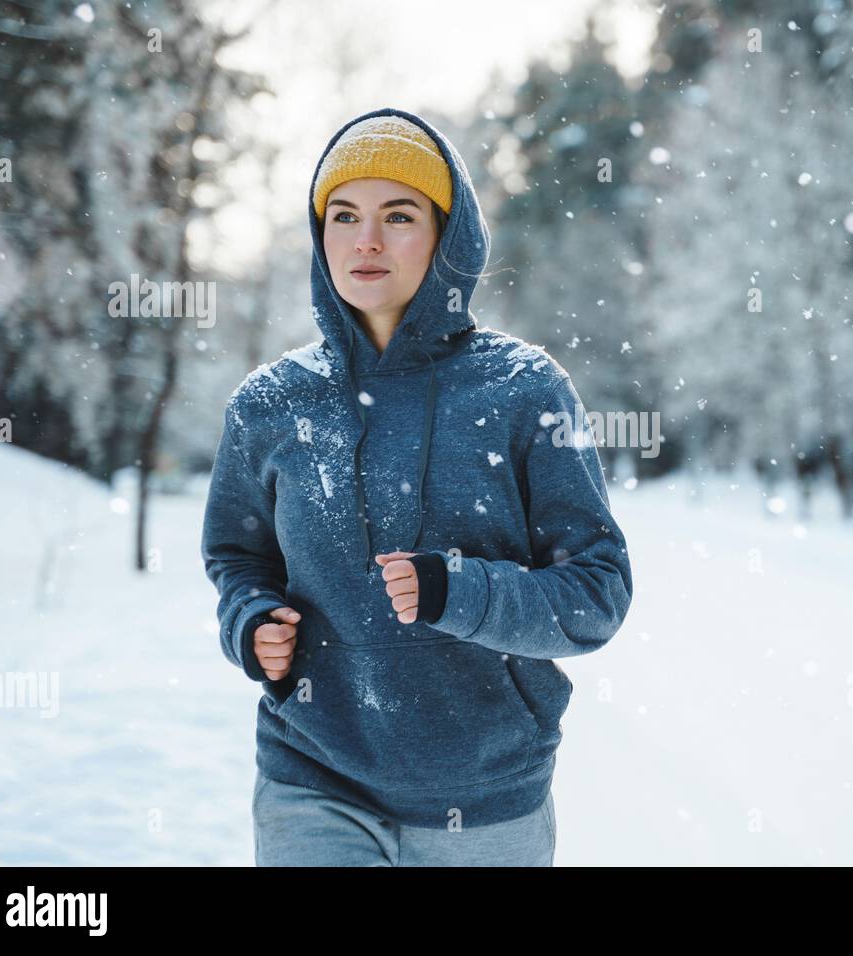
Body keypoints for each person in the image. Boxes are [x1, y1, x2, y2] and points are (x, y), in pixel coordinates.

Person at [200, 107, 634, 866]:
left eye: (398, 215)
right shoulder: (270, 403)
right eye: (343, 215)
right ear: (320, 234)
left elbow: (596, 594)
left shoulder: (524, 390)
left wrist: (459, 593)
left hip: (488, 792)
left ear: (446, 236)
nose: (366, 240)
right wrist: (250, 620)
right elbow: (237, 556)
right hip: (314, 777)